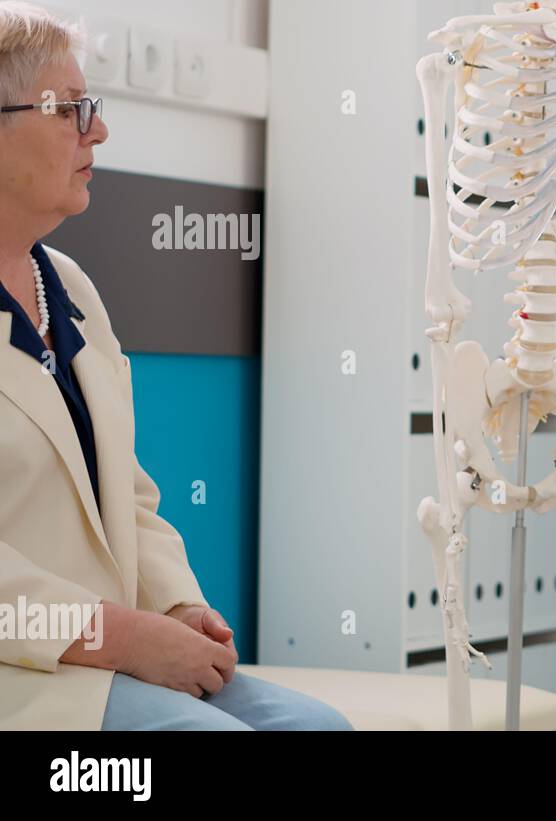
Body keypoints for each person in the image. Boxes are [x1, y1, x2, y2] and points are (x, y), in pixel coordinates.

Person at [0, 2, 351, 730]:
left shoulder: (69, 289)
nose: (97, 129)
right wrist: (125, 637)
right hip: (23, 674)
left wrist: (176, 606)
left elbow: (126, 494)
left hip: (107, 658)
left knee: (322, 729)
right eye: (71, 110)